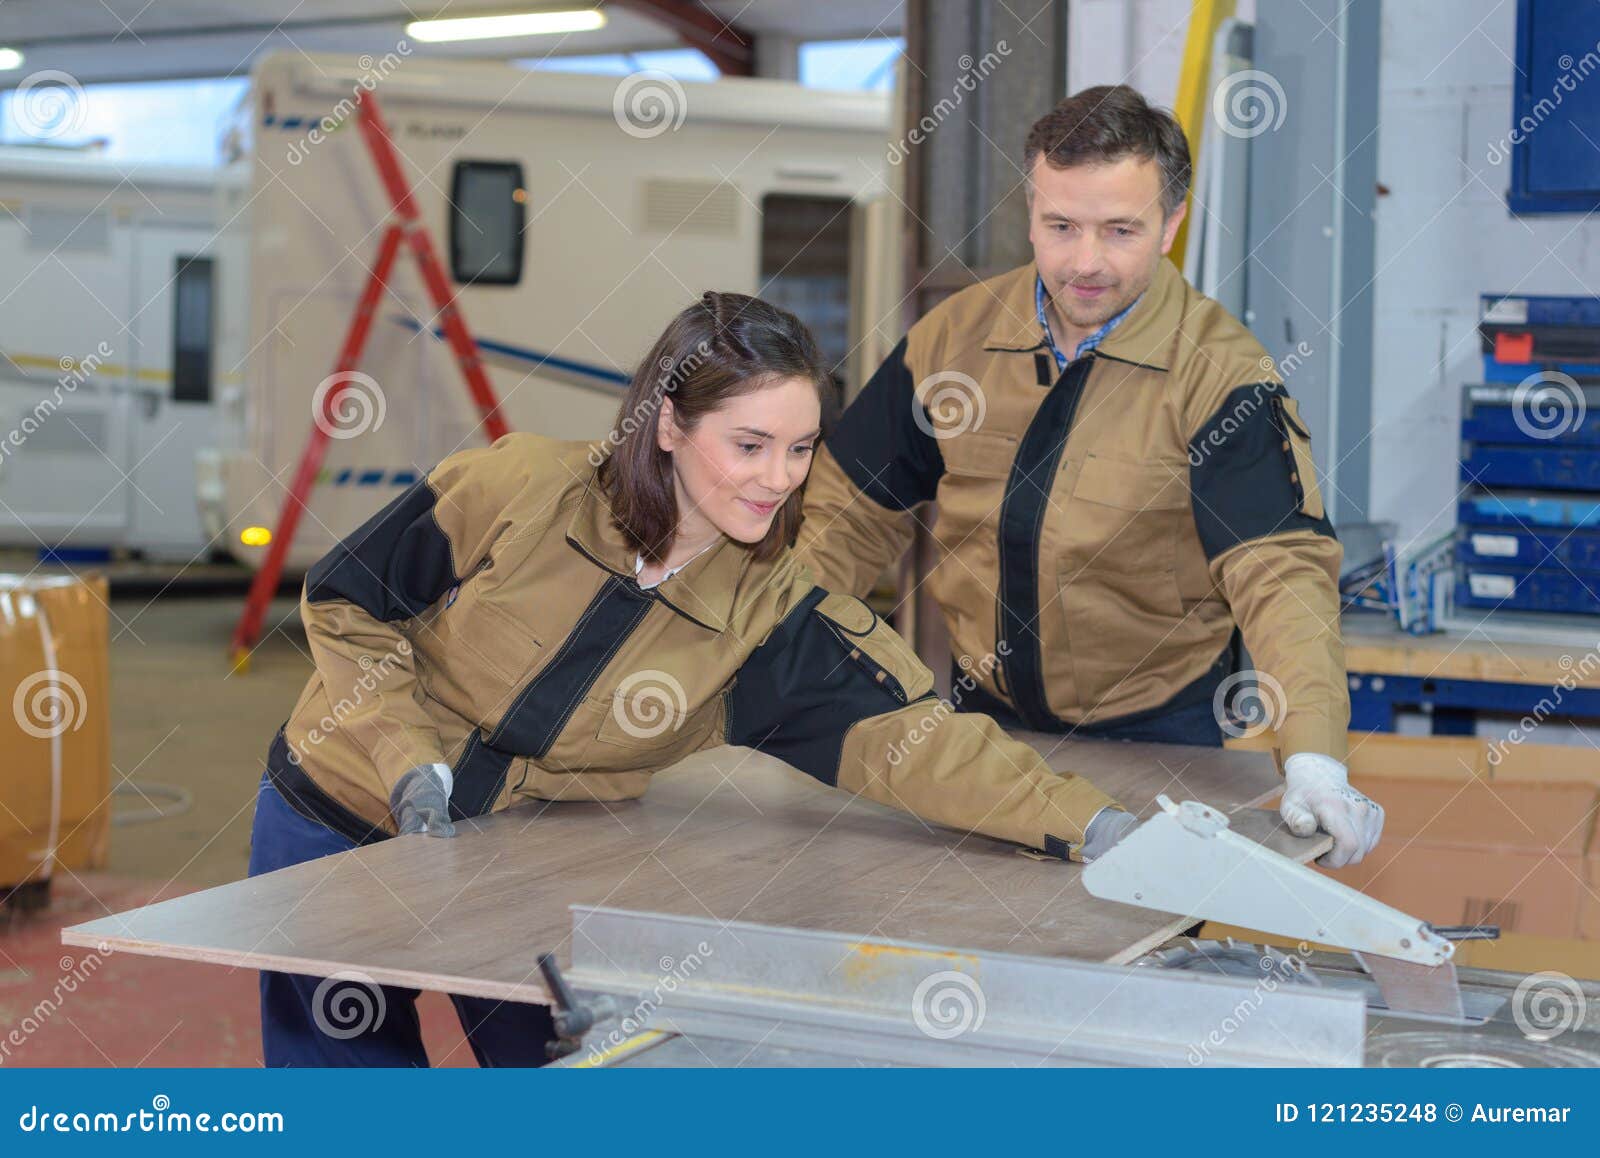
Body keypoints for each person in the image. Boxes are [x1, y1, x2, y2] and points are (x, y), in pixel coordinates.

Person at [247, 291, 1132, 1067]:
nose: (778, 479)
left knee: (564, 1085)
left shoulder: (770, 620)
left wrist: (1094, 826)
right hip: (335, 817)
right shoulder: (518, 487)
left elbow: (921, 745)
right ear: (668, 424)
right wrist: (407, 761)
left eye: (800, 449)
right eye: (750, 445)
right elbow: (348, 600)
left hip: (510, 869)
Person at [795, 85, 1383, 870]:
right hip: (981, 727)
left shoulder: (1219, 374)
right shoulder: (953, 340)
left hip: (1158, 737)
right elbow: (848, 516)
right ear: (1030, 212)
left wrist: (1313, 753)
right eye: (1061, 226)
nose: (1085, 263)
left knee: (1141, 927)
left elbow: (1278, 571)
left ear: (1171, 224)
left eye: (1121, 230)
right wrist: (772, 649)